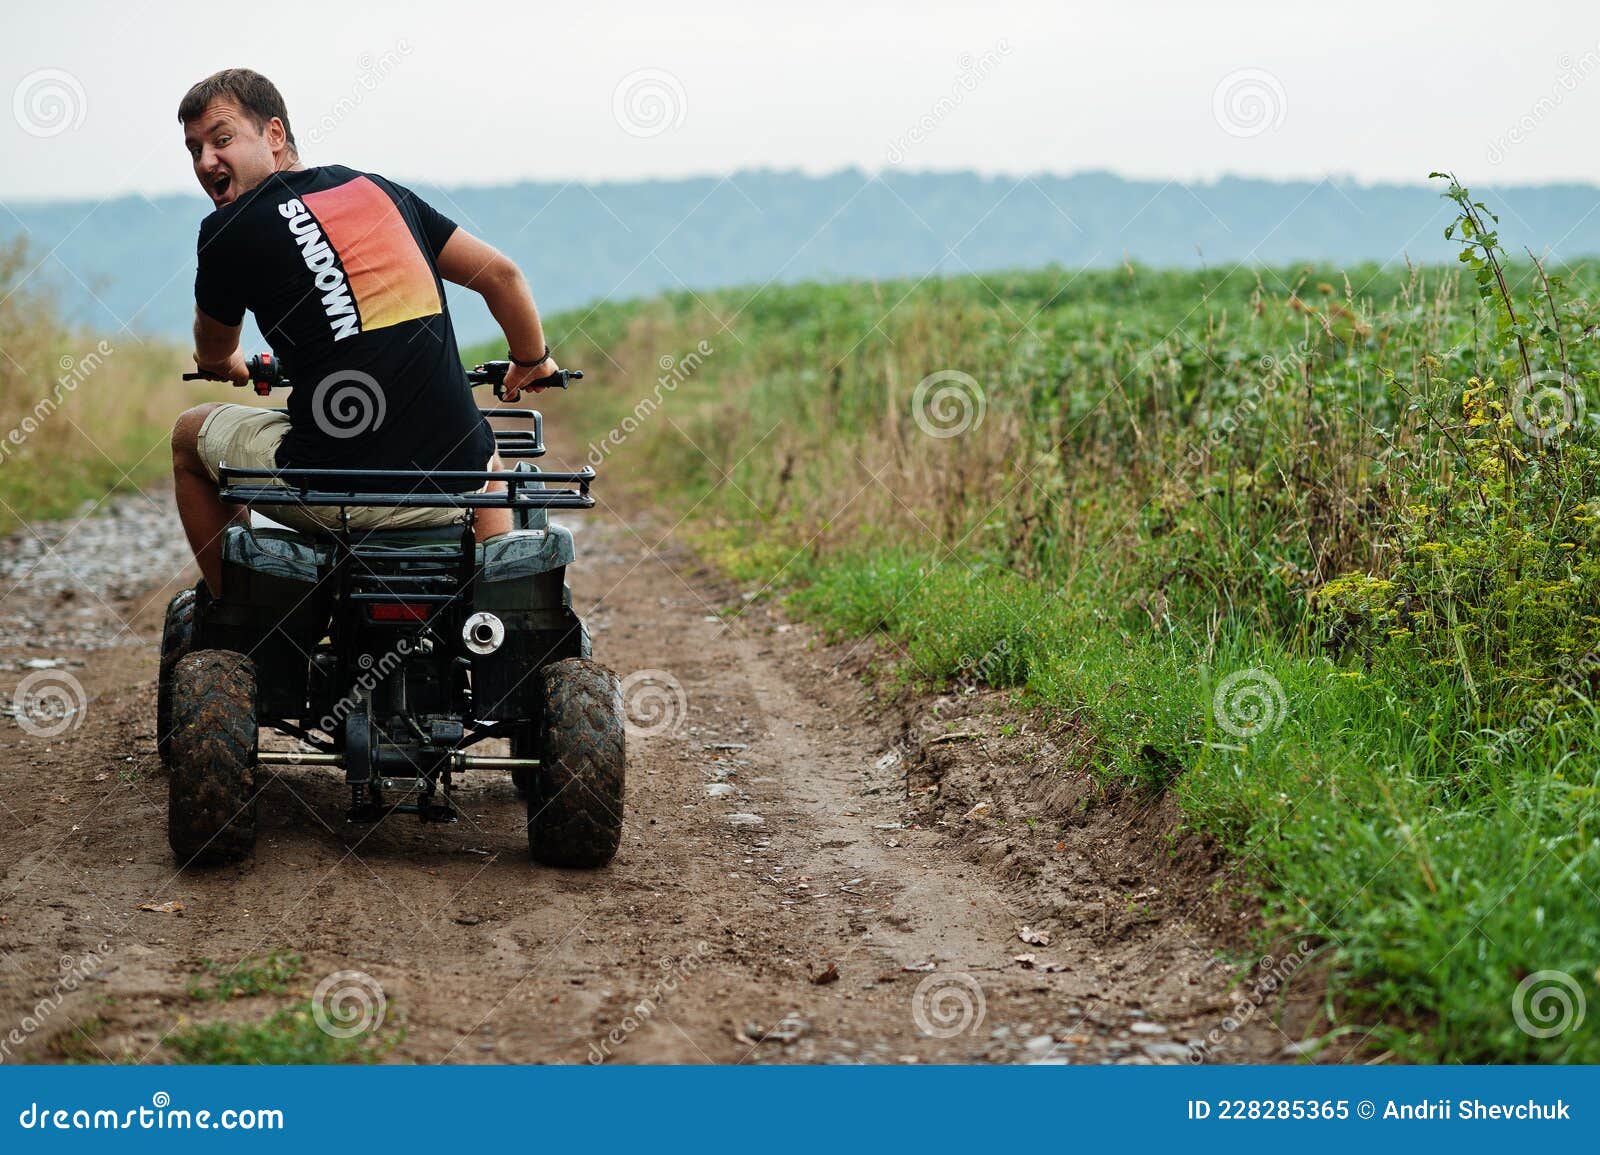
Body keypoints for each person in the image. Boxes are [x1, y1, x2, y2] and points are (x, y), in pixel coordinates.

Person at [170, 68, 560, 594]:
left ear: (275, 135)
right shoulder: (375, 191)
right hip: (451, 485)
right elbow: (501, 276)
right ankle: (492, 609)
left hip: (333, 490)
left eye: (221, 140)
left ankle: (235, 609)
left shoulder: (226, 231)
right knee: (481, 445)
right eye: (194, 149)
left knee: (188, 436)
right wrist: (531, 360)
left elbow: (215, 349)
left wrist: (227, 366)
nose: (205, 162)